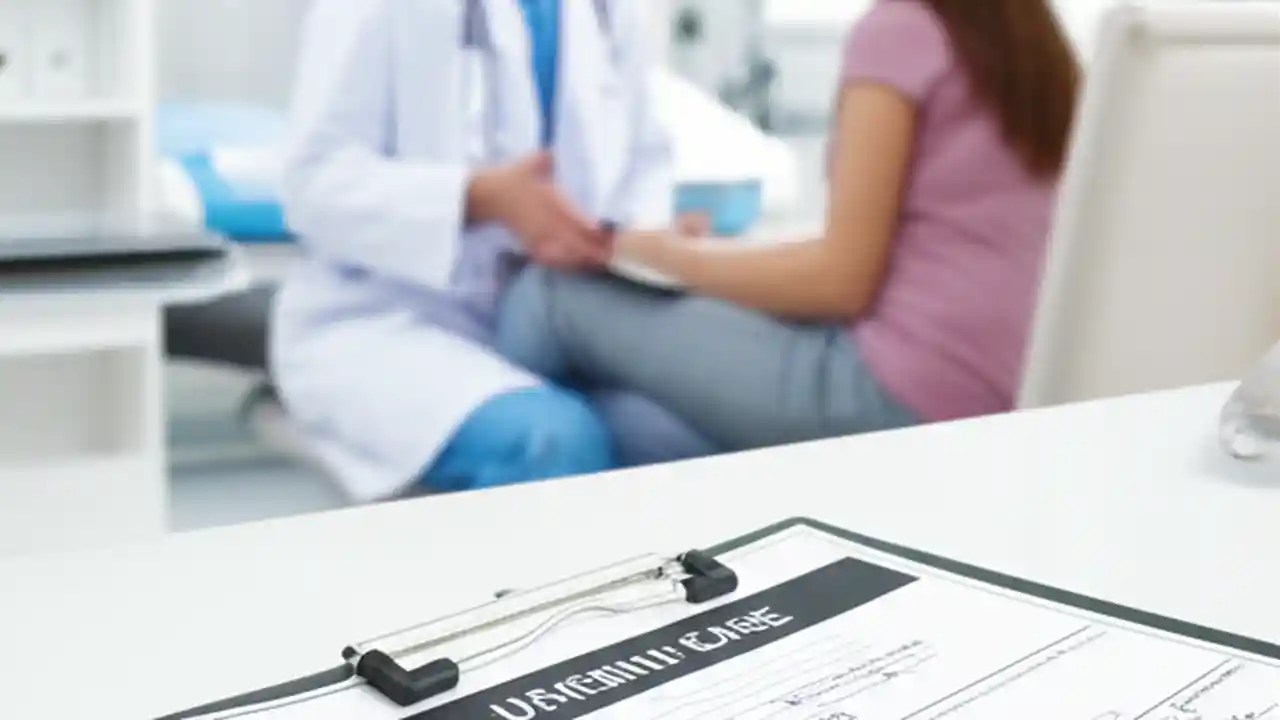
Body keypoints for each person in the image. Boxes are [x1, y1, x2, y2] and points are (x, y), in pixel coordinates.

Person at [498, 0, 1081, 452]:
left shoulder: (900, 31)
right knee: (637, 423)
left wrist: (662, 255)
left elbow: (839, 283)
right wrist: (716, 263)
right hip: (997, 388)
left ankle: (493, 504)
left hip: (898, 392)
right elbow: (897, 249)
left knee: (554, 294)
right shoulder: (1029, 45)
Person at [272, 0, 711, 502]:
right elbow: (313, 186)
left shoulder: (608, 11)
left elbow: (643, 161)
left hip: (551, 317)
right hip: (384, 322)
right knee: (553, 442)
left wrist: (644, 241)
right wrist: (479, 197)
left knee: (680, 438)